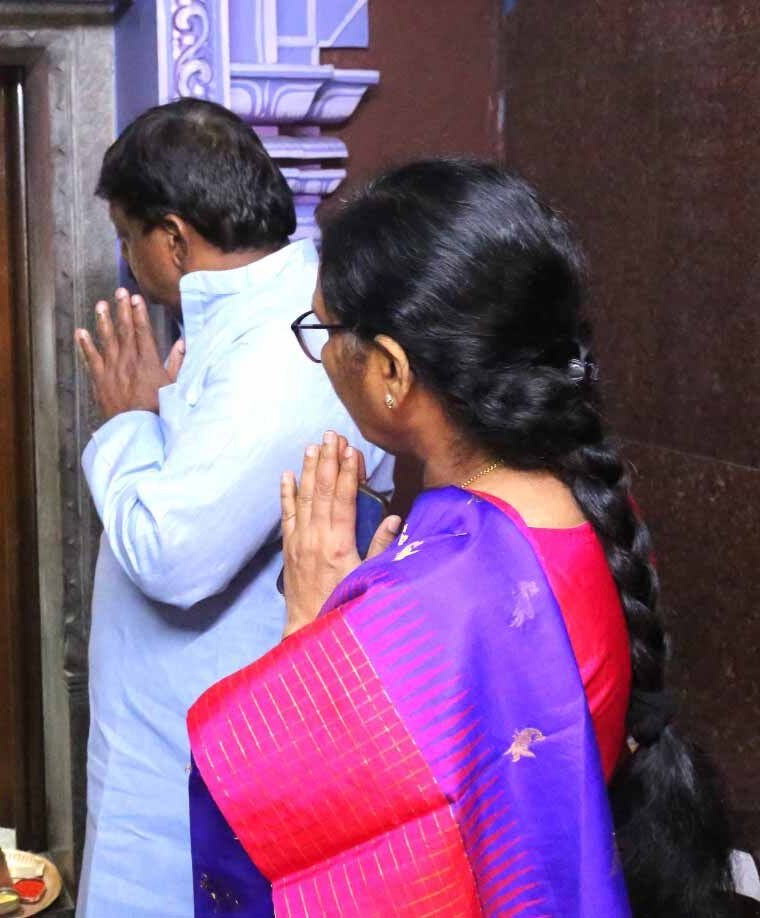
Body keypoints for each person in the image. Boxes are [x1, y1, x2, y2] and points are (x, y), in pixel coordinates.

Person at [186, 159, 739, 916]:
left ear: (390, 369)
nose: (321, 355)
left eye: (326, 330)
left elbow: (261, 810)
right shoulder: (587, 507)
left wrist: (309, 641)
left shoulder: (443, 598)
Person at [73, 98, 393, 915]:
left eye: (126, 235)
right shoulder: (235, 325)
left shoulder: (287, 349)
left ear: (174, 238)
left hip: (216, 749)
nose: (123, 259)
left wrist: (131, 421)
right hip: (166, 730)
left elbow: (174, 555)